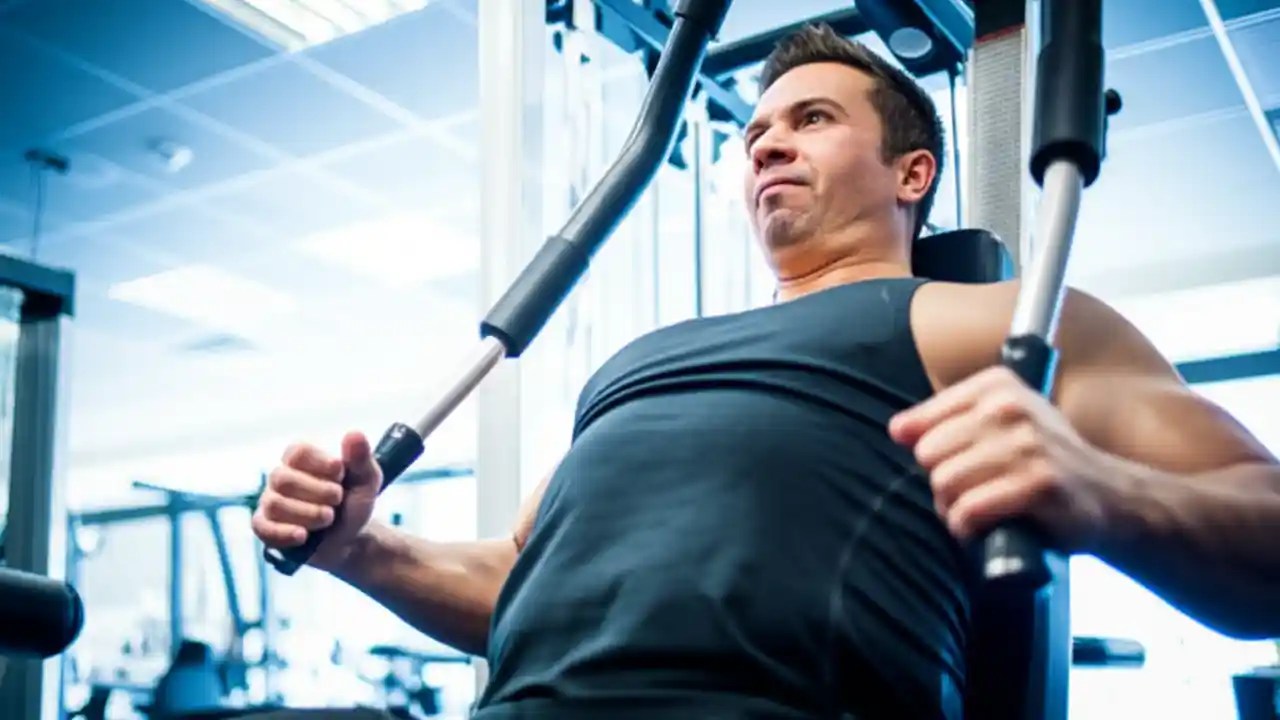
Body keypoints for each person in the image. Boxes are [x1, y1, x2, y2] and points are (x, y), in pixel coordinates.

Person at [252, 24, 1280, 720]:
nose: (765, 147)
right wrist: (363, 552)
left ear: (910, 174)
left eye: (811, 121)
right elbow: (521, 582)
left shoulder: (995, 324)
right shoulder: (634, 363)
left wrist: (1108, 496)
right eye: (752, 134)